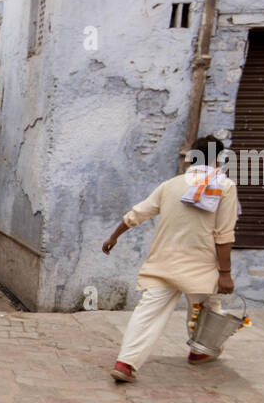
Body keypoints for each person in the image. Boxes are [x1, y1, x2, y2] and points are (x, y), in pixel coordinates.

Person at [102, 135, 238, 382]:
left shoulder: (171, 185)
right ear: (218, 159)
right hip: (201, 268)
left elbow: (137, 213)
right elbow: (224, 234)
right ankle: (199, 352)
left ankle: (125, 364)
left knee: (147, 313)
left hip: (163, 264)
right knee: (207, 307)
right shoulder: (225, 187)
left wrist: (113, 237)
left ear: (191, 158)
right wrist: (226, 273)